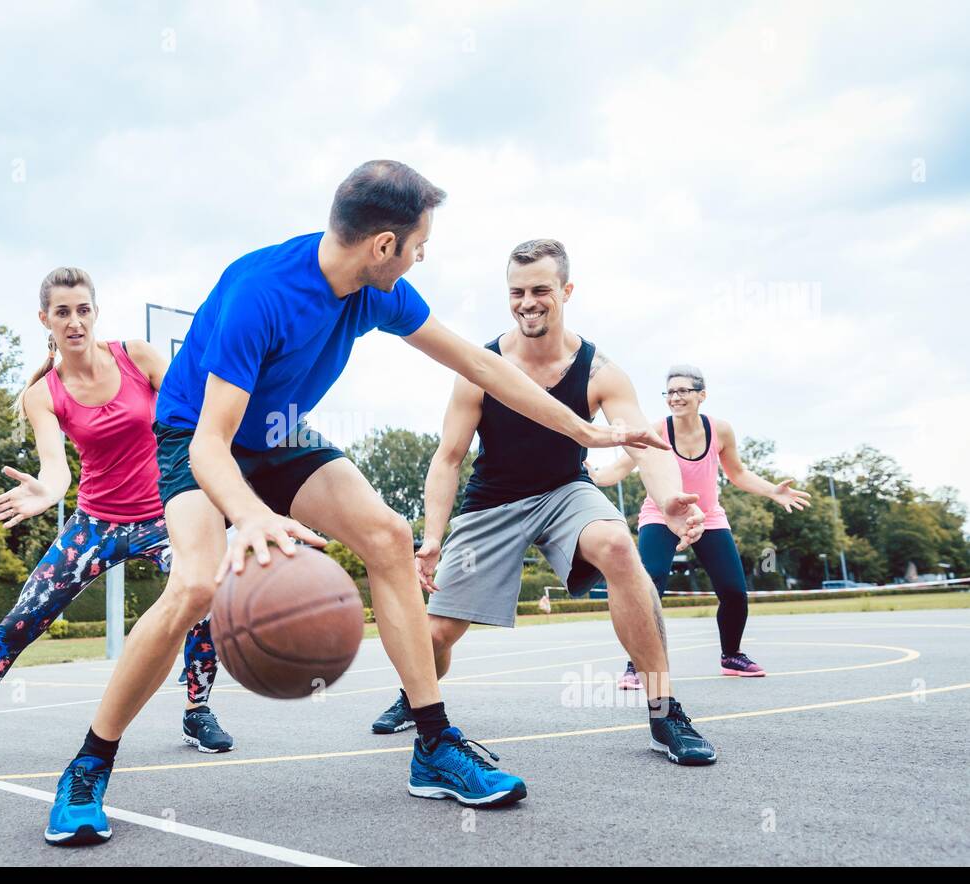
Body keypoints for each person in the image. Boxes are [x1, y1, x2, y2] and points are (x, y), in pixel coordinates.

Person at [44, 161, 672, 847]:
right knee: (194, 584)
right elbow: (209, 448)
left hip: (279, 433)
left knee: (386, 535)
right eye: (418, 244)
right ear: (382, 245)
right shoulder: (262, 292)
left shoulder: (375, 293)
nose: (420, 256)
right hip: (196, 436)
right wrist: (249, 516)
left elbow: (483, 365)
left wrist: (583, 429)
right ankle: (88, 765)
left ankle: (433, 743)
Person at [0, 267, 234, 784]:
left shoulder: (139, 356)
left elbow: (186, 420)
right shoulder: (43, 394)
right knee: (18, 624)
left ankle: (197, 709)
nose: (75, 321)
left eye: (83, 310)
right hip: (95, 525)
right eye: (63, 312)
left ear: (95, 312)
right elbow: (56, 471)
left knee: (203, 596)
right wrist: (45, 490)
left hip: (162, 516)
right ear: (46, 320)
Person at [367, 238, 717, 767]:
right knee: (437, 633)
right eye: (517, 292)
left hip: (565, 491)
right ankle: (415, 693)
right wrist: (434, 535)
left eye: (540, 291)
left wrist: (670, 499)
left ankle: (664, 711)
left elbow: (644, 442)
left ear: (566, 291)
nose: (527, 302)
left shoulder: (600, 371)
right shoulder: (480, 367)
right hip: (491, 504)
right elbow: (448, 457)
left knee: (619, 547)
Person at [588, 364, 811, 685]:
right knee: (649, 587)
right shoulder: (657, 430)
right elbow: (621, 469)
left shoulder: (720, 431)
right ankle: (637, 665)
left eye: (683, 391)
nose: (675, 398)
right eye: (670, 392)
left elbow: (738, 474)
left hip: (708, 517)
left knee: (734, 591)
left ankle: (732, 655)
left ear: (701, 395)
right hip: (661, 516)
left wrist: (773, 491)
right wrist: (594, 476)